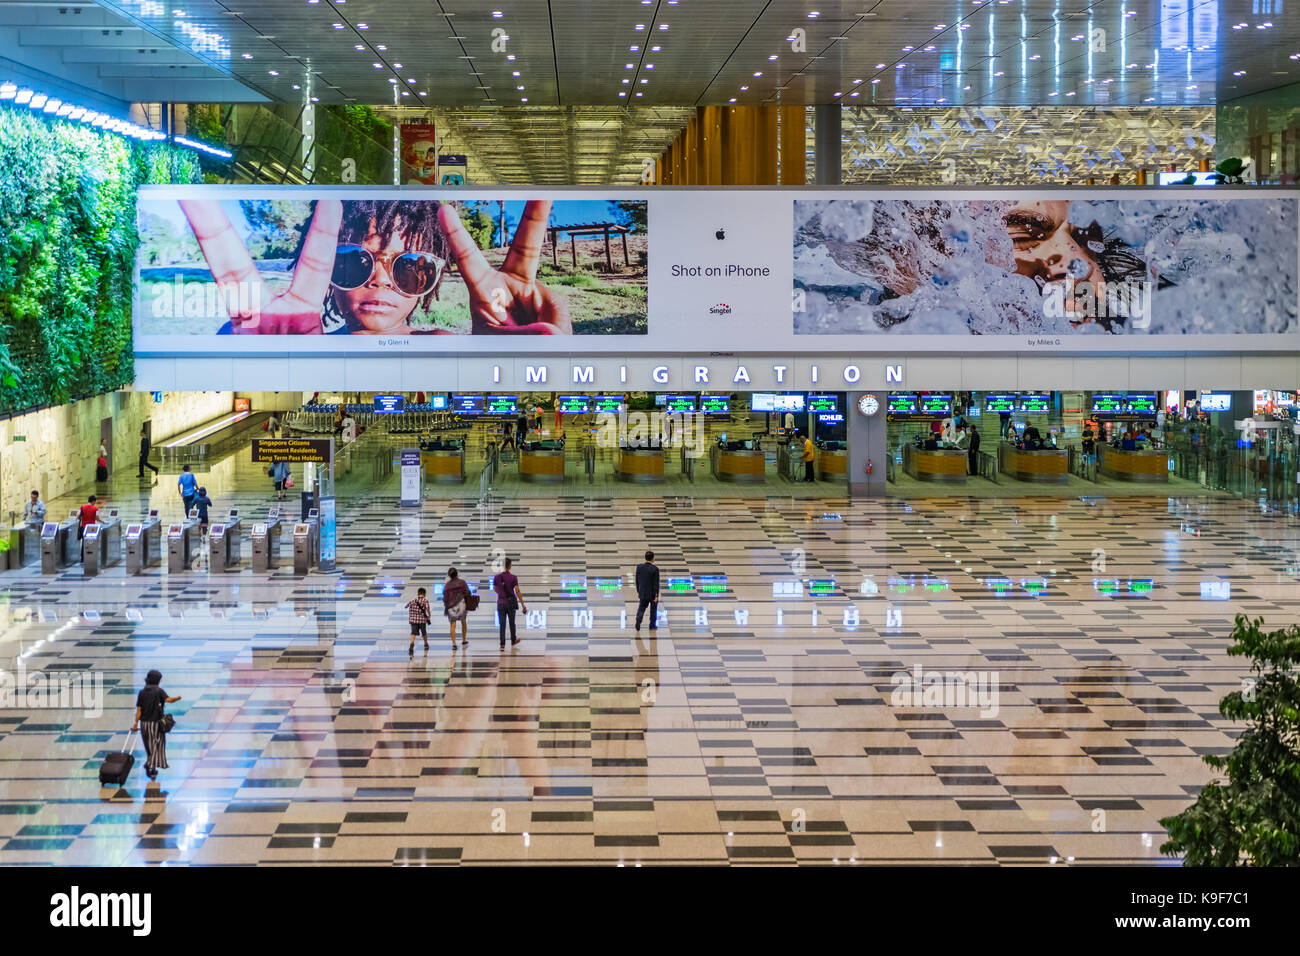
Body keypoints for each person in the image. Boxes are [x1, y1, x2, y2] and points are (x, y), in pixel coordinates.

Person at [177, 197, 572, 336]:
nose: (382, 280)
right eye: (354, 262)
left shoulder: (443, 346)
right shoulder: (305, 347)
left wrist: (514, 359)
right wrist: (263, 356)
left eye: (410, 267)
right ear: (324, 274)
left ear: (431, 282)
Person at [130, 669, 181, 781]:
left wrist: (135, 724)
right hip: (156, 724)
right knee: (157, 746)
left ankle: (150, 765)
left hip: (144, 725)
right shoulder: (159, 691)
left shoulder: (142, 692)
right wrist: (177, 699)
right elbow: (169, 700)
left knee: (149, 747)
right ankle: (150, 766)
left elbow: (139, 710)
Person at [493, 558, 527, 650]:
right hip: (511, 602)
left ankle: (502, 644)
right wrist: (523, 604)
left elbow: (495, 589)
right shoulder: (513, 577)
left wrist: (501, 594)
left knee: (502, 624)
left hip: (500, 602)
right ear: (510, 566)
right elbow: (517, 590)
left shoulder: (496, 577)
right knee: (512, 622)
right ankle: (513, 640)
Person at [442, 567, 470, 647]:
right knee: (463, 622)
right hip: (461, 605)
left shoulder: (447, 585)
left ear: (449, 575)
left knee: (452, 625)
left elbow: (445, 598)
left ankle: (454, 644)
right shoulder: (462, 582)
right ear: (457, 573)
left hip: (451, 607)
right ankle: (464, 640)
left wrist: (446, 605)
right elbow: (467, 592)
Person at [634, 550, 660, 633]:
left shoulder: (639, 567)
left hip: (643, 592)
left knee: (641, 608)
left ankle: (639, 618)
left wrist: (639, 591)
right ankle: (652, 625)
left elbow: (637, 580)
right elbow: (656, 584)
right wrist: (656, 595)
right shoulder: (655, 569)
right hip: (652, 594)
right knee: (653, 609)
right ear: (652, 558)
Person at [406, 587, 432, 654]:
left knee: (413, 632)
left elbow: (406, 606)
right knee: (424, 632)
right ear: (425, 594)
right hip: (422, 620)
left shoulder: (413, 601)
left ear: (418, 594)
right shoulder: (425, 601)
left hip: (413, 620)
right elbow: (427, 609)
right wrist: (429, 616)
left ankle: (412, 643)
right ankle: (426, 644)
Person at [78, 494, 99, 561]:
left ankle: (82, 558)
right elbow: (97, 518)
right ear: (93, 501)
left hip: (84, 527)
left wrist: (82, 518)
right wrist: (103, 522)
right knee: (91, 541)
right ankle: (91, 556)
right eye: (94, 502)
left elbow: (78, 516)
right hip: (92, 528)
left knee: (84, 542)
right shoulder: (95, 508)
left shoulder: (82, 507)